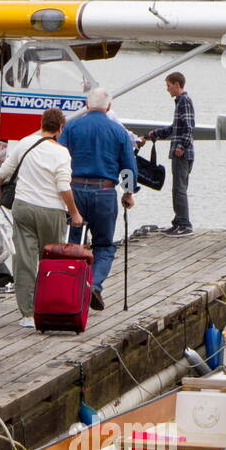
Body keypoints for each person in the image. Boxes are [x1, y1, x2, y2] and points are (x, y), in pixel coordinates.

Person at [0, 108, 82, 327]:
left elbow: (4, 171)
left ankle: (28, 314)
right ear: (60, 129)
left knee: (24, 260)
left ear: (42, 123)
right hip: (51, 211)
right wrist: (74, 212)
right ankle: (49, 307)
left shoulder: (25, 142)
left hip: (23, 207)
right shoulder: (61, 152)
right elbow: (63, 186)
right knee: (51, 261)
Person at [57, 88, 136, 312]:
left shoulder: (72, 127)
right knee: (104, 245)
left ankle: (70, 289)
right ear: (109, 107)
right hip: (104, 191)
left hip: (75, 190)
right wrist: (128, 194)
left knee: (74, 244)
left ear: (86, 104)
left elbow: (60, 156)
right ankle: (94, 284)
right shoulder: (118, 131)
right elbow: (128, 167)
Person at [138, 71, 195, 237]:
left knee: (179, 189)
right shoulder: (180, 102)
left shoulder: (184, 101)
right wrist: (154, 134)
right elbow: (174, 128)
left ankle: (184, 224)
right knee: (176, 188)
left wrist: (182, 147)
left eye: (169, 86)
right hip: (179, 153)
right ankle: (178, 222)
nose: (167, 89)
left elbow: (189, 128)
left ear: (177, 85)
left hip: (182, 154)